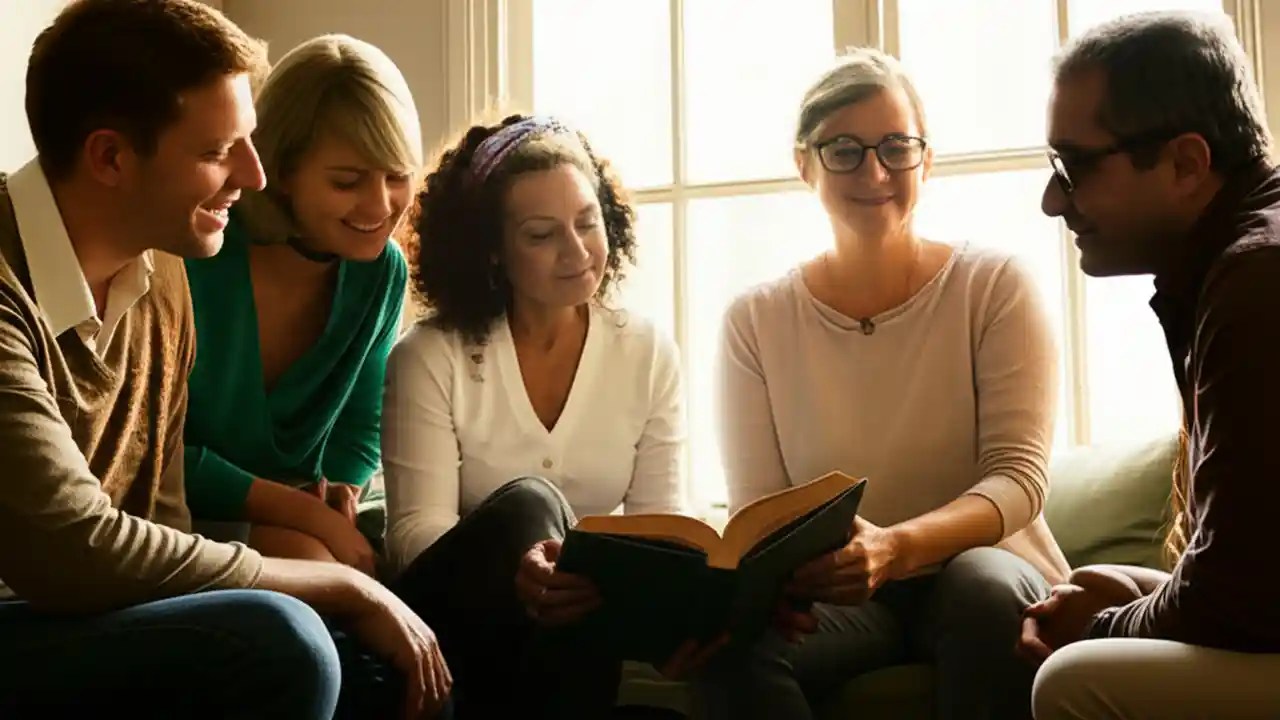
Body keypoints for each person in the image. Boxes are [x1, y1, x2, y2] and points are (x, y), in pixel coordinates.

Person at [0, 2, 449, 718]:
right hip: (26, 609)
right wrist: (334, 583)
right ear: (110, 157)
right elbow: (75, 545)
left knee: (381, 669)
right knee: (285, 637)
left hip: (94, 606)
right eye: (218, 152)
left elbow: (164, 514)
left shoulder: (161, 277)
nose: (255, 176)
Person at [693, 48, 1071, 720]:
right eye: (844, 150)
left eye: (896, 146)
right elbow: (760, 509)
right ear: (804, 164)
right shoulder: (755, 320)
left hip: (986, 568)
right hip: (845, 598)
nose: (874, 171)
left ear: (926, 160)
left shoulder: (993, 286)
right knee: (728, 644)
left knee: (984, 592)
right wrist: (782, 581)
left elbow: (1018, 479)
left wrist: (894, 548)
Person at [1019, 11, 1280, 719]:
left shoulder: (1258, 280)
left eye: (1073, 168)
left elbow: (1244, 598)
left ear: (1187, 163)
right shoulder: (1235, 264)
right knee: (1102, 593)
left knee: (1071, 682)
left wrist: (1103, 631)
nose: (1052, 202)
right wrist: (1138, 601)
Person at [382, 114, 688, 717]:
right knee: (531, 506)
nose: (576, 252)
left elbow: (664, 528)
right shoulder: (429, 356)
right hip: (457, 628)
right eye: (542, 234)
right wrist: (516, 561)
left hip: (577, 630)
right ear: (492, 251)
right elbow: (414, 540)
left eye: (587, 222)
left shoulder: (647, 352)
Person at [183, 33, 417, 579]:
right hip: (176, 508)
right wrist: (309, 519)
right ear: (281, 171)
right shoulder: (199, 252)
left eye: (397, 176)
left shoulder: (383, 271)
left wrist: (339, 497)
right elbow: (154, 451)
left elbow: (362, 424)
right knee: (320, 564)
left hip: (300, 517)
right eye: (347, 181)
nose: (381, 206)